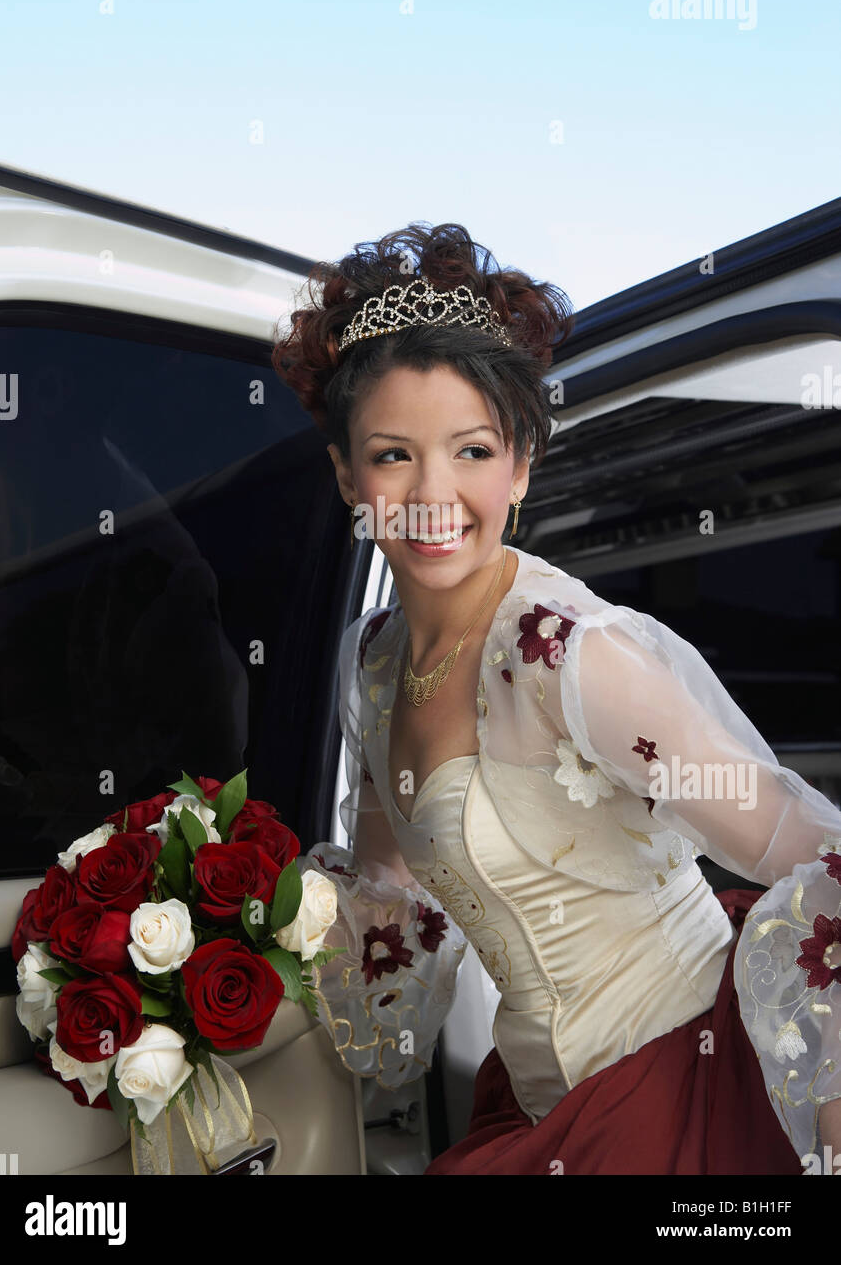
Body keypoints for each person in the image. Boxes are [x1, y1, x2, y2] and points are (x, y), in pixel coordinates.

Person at [271, 222, 841, 1175]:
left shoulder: (568, 653)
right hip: (535, 1105)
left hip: (692, 1090)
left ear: (523, 465)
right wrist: (226, 954)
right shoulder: (370, 661)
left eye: (473, 449)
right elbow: (388, 890)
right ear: (346, 476)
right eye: (393, 455)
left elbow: (809, 849)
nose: (433, 492)